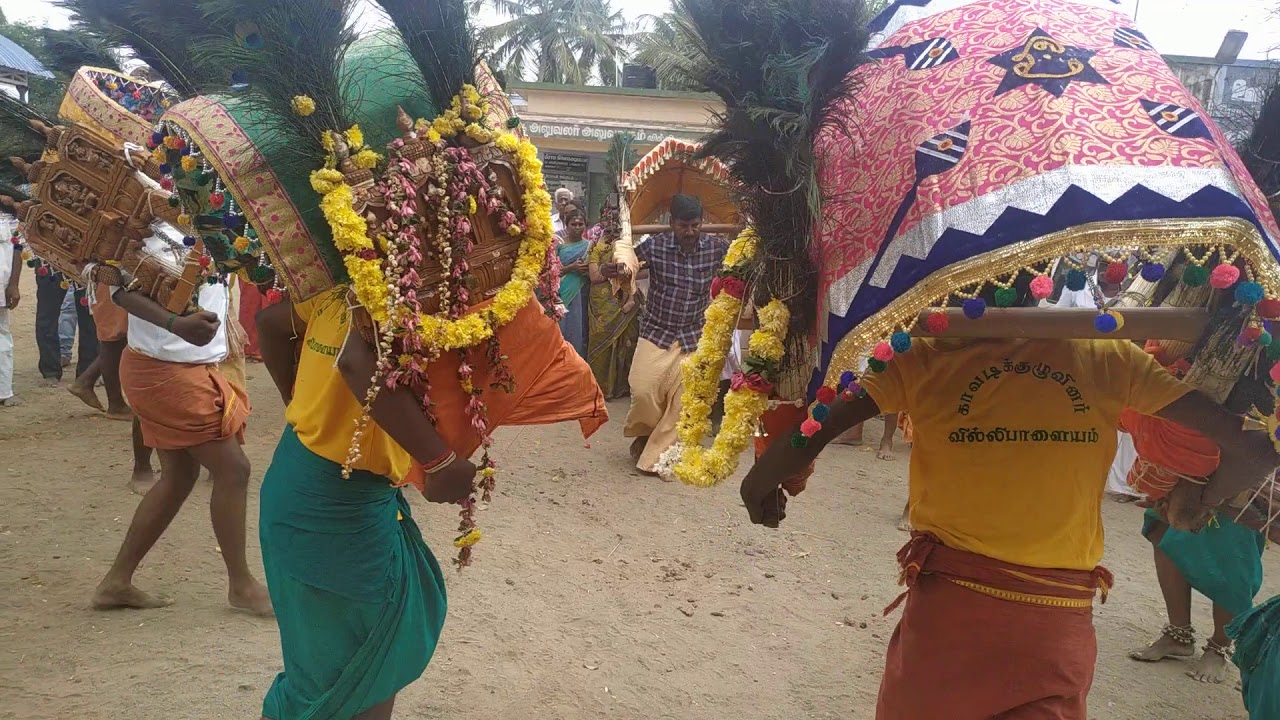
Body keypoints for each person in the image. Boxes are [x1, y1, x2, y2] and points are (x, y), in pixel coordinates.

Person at [740, 288, 1279, 720]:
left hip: (950, 620)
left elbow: (810, 433)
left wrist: (757, 486)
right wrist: (1203, 497)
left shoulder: (923, 356)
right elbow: (1255, 449)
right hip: (1056, 625)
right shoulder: (1109, 357)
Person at [252, 281, 605, 720]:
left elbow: (268, 323)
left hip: (303, 478)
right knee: (354, 674)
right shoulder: (392, 297)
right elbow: (357, 362)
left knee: (336, 662)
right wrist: (437, 462)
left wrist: (297, 401)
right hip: (332, 511)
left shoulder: (339, 290)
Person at [91, 268, 271, 616]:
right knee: (234, 470)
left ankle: (116, 582)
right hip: (165, 367)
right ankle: (241, 585)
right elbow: (118, 289)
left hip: (180, 364)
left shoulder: (205, 216)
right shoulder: (145, 219)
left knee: (178, 478)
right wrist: (175, 323)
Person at [614, 194, 728, 474]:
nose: (689, 232)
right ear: (671, 223)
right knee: (642, 391)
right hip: (657, 331)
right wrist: (617, 267)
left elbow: (740, 266)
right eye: (683, 225)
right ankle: (645, 433)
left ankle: (654, 459)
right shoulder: (655, 246)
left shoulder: (716, 248)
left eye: (695, 225)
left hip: (693, 336)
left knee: (683, 402)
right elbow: (627, 263)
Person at [586, 213, 641, 400]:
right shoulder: (596, 247)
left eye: (615, 229)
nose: (611, 232)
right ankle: (601, 386)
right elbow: (594, 277)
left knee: (626, 341)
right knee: (601, 338)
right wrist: (607, 272)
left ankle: (620, 387)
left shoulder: (626, 246)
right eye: (607, 228)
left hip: (623, 297)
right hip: (601, 300)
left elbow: (630, 271)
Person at [66, 281, 132, 419]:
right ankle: (115, 405)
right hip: (111, 281)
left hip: (115, 282)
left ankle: (86, 381)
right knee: (114, 339)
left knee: (119, 339)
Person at [34, 269, 97, 385]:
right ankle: (50, 370)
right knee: (47, 317)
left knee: (90, 319)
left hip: (84, 261)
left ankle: (87, 371)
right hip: (51, 259)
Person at [556, 204, 591, 358]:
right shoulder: (558, 245)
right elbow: (550, 272)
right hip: (560, 295)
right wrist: (571, 267)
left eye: (580, 224)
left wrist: (589, 271)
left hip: (582, 295)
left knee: (580, 331)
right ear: (566, 225)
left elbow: (595, 270)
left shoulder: (589, 246)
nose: (577, 227)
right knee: (560, 332)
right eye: (573, 224)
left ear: (585, 225)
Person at [1, 228, 19, 407]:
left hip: (1, 284)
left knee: (1, 336)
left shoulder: (7, 215)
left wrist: (13, 284)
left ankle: (4, 390)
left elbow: (17, 247)